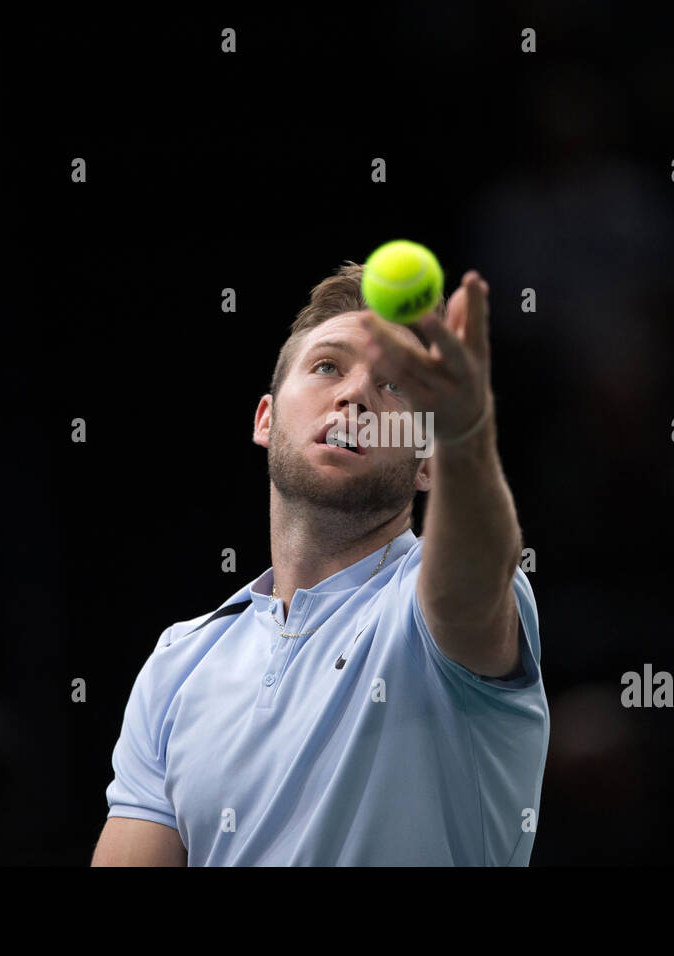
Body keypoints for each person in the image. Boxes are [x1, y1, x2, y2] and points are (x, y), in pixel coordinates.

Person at [91, 262, 549, 866]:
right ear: (266, 418)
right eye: (328, 366)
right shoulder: (179, 665)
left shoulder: (437, 606)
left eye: (395, 386)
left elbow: (469, 578)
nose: (355, 394)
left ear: (428, 464)